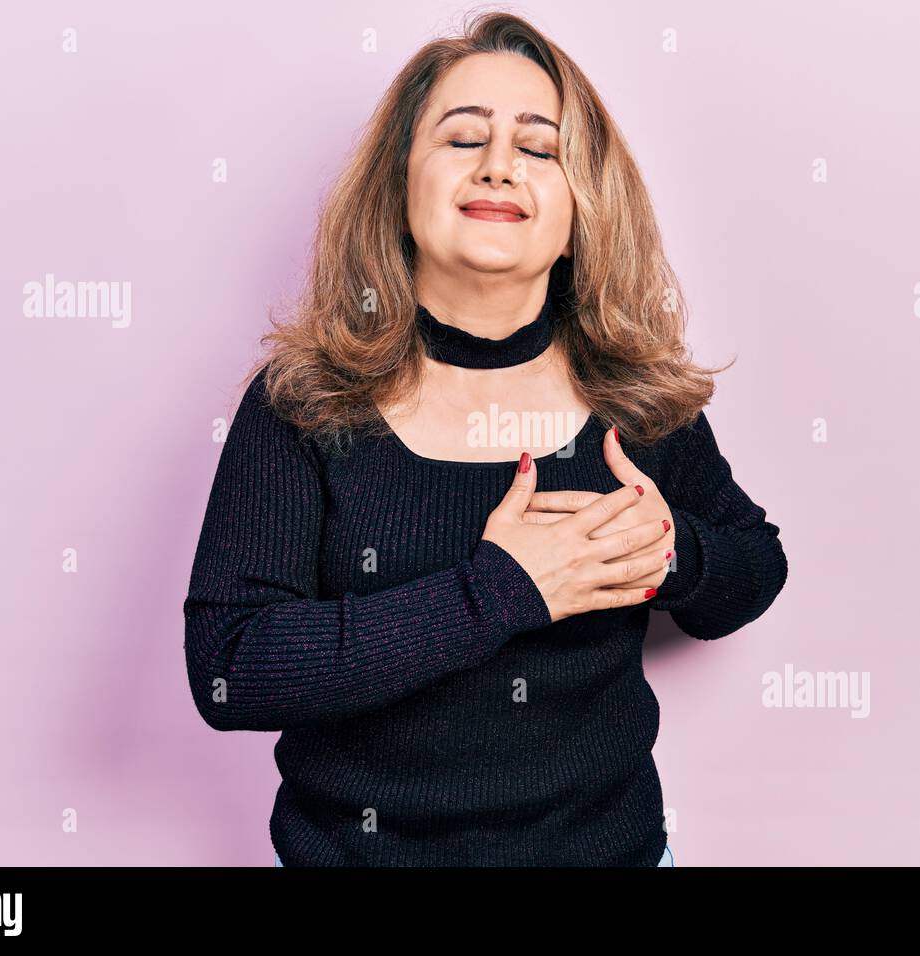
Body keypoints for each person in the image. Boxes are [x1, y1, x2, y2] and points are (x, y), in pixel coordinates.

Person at [183, 11, 787, 867]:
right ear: (398, 188)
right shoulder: (303, 403)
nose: (500, 164)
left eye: (540, 149)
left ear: (582, 207)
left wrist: (669, 553)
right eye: (464, 139)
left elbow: (753, 569)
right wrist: (499, 592)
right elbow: (230, 667)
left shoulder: (633, 393)